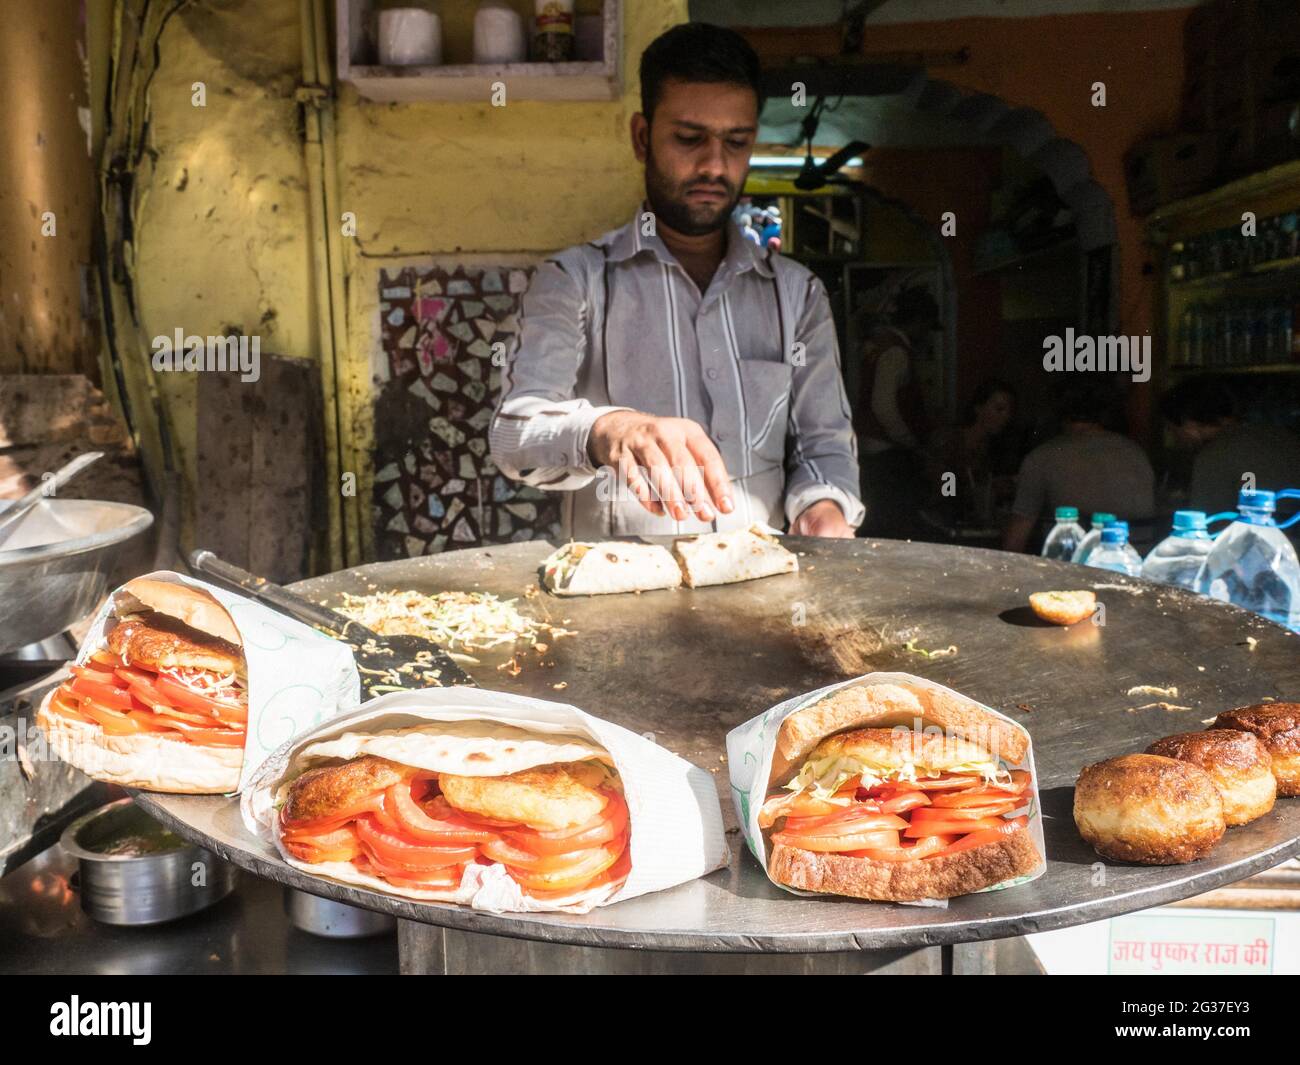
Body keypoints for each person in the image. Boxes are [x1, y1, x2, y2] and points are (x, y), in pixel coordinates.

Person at [490, 23, 862, 539]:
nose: (714, 164)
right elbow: (515, 435)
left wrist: (825, 505)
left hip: (764, 598)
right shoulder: (575, 280)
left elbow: (824, 445)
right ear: (643, 138)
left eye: (736, 142)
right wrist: (611, 430)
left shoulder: (796, 294)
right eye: (690, 139)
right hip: (620, 606)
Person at [1002, 380, 1155, 552]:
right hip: (1136, 566)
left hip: (1077, 570)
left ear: (1057, 412)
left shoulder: (1042, 457)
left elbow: (1015, 541)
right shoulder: (1136, 452)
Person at [855, 285, 939, 537]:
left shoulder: (876, 345)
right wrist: (911, 442)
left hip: (874, 455)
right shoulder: (895, 353)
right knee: (893, 527)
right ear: (919, 322)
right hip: (888, 458)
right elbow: (883, 407)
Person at [1160, 378, 1300, 515]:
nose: (1173, 438)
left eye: (1171, 429)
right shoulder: (1284, 437)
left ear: (1189, 425)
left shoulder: (1214, 456)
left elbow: (1208, 524)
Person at [926, 378, 1017, 527]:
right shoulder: (948, 440)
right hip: (941, 524)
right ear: (979, 408)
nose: (1006, 416)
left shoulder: (996, 448)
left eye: (1009, 411)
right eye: (999, 409)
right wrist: (984, 490)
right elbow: (945, 490)